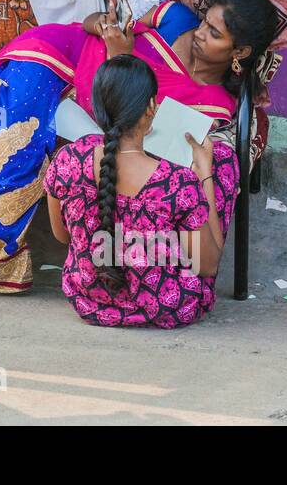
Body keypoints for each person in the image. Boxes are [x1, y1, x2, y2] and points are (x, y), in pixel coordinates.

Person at [0, 0, 277, 294]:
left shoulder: (214, 105)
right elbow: (92, 23)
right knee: (14, 134)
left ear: (239, 52)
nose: (200, 33)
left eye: (214, 34)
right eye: (205, 23)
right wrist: (105, 26)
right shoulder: (176, 19)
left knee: (14, 153)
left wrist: (121, 56)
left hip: (79, 107)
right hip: (57, 56)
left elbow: (135, 120)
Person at [44, 54, 236, 327]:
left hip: (90, 301)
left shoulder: (67, 160)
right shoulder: (179, 183)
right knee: (224, 162)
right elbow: (207, 266)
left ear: (97, 107)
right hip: (166, 308)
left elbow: (62, 235)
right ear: (151, 107)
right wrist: (204, 174)